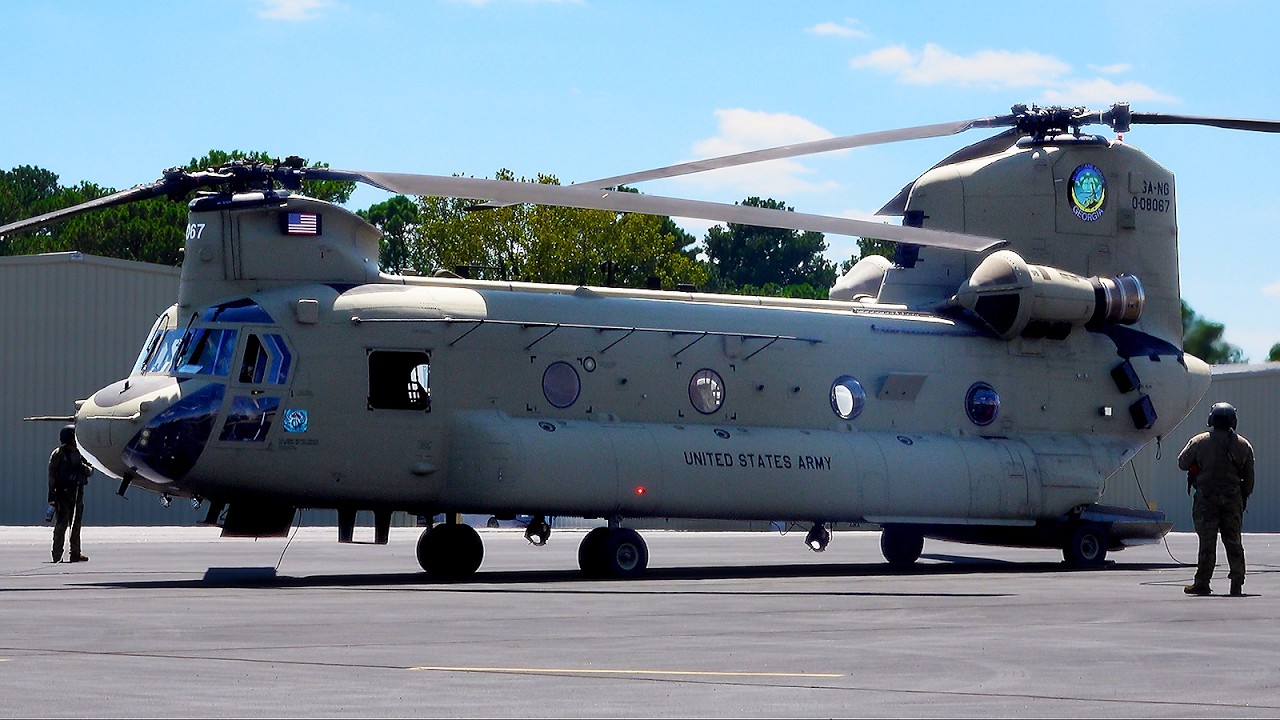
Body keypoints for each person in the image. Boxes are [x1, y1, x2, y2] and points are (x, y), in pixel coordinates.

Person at [1177, 402, 1255, 596]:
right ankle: (1237, 582)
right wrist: (1242, 497)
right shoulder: (1243, 445)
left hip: (1206, 500)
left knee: (1207, 542)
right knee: (1233, 541)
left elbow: (1182, 463)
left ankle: (1202, 582)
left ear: (1211, 419)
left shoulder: (1199, 441)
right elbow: (1249, 479)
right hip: (1232, 500)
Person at [48, 425, 93, 563]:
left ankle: (75, 553)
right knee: (61, 524)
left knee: (76, 525)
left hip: (78, 492)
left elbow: (91, 471)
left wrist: (82, 467)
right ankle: (57, 554)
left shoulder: (81, 453)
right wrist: (52, 496)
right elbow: (52, 475)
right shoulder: (58, 454)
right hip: (63, 494)